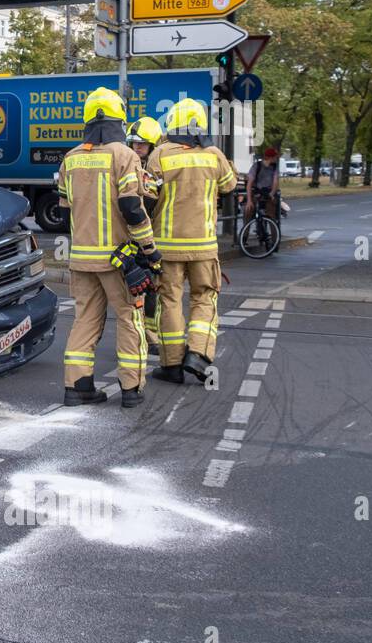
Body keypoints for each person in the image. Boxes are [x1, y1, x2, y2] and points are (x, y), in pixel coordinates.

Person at [57, 87, 160, 409]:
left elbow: (64, 212)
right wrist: (150, 250)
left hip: (81, 259)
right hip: (119, 260)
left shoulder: (71, 159)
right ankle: (131, 389)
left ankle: (77, 386)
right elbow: (132, 207)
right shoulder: (125, 155)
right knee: (130, 319)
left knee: (85, 319)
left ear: (88, 118)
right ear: (119, 119)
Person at [146, 98, 238, 384]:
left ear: (172, 122)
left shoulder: (159, 154)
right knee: (205, 298)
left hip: (167, 246)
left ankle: (171, 366)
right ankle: (198, 354)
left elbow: (148, 197)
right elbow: (230, 186)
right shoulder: (214, 154)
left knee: (169, 301)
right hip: (204, 247)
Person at [127, 116, 164, 355]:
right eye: (134, 143)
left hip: (149, 239)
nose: (137, 147)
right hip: (131, 241)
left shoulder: (154, 169)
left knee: (152, 293)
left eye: (142, 144)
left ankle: (151, 336)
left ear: (152, 146)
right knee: (135, 295)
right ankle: (141, 338)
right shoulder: (125, 165)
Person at [244, 146, 281, 222]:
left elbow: (275, 182)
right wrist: (249, 200)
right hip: (257, 192)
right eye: (275, 157)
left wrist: (272, 193)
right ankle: (245, 232)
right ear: (270, 157)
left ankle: (275, 233)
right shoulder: (256, 166)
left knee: (271, 213)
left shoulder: (274, 167)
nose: (276, 159)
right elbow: (249, 183)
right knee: (248, 211)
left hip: (268, 193)